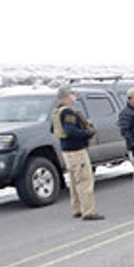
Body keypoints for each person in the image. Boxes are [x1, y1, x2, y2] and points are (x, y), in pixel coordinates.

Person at [50, 85, 103, 220]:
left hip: (66, 151)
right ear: (67, 97)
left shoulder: (57, 111)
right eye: (72, 95)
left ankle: (77, 208)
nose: (74, 97)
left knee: (74, 181)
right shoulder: (68, 113)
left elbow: (53, 130)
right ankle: (88, 211)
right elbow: (71, 131)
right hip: (76, 151)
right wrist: (87, 132)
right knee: (85, 181)